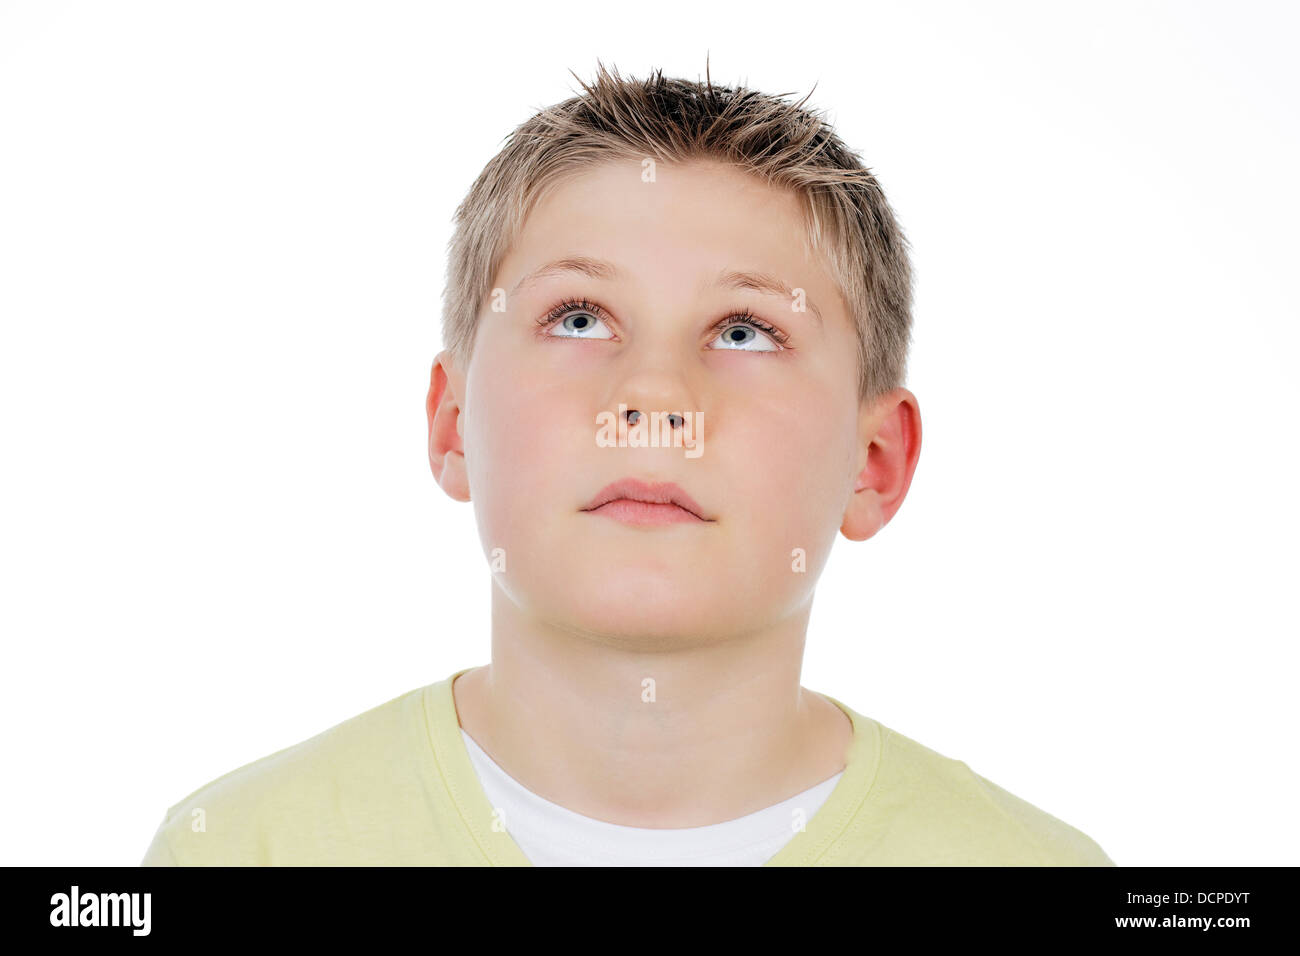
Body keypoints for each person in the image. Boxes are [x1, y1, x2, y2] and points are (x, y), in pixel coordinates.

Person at [141, 62, 1114, 866]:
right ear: (451, 425)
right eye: (577, 317)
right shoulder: (239, 850)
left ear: (873, 460)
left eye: (743, 329)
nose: (653, 400)